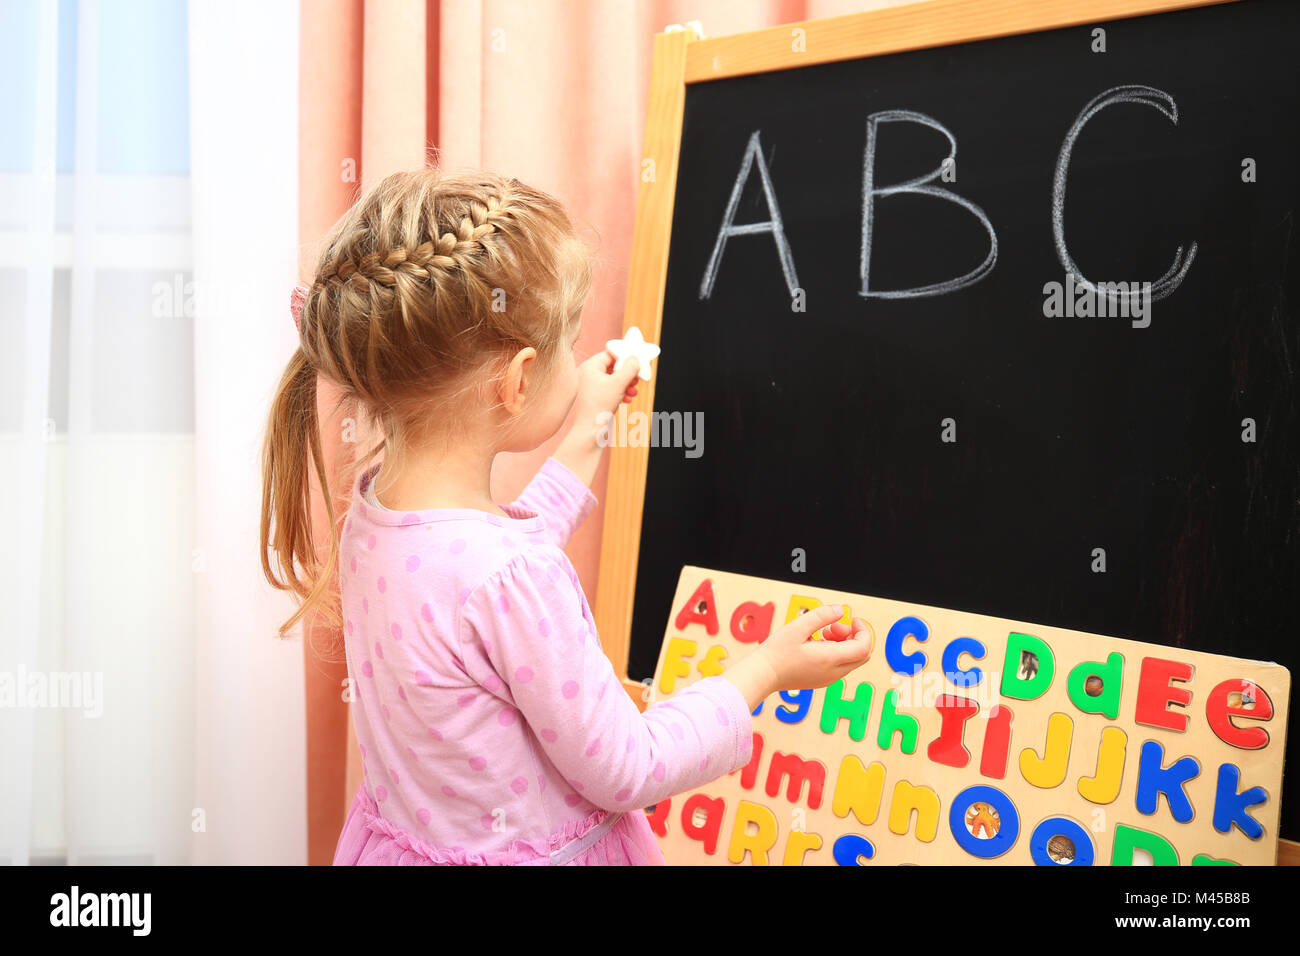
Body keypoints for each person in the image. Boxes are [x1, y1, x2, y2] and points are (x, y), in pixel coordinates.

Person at [260, 168, 872, 865]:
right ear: (516, 382)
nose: (576, 359)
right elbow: (627, 769)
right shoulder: (511, 579)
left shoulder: (374, 515)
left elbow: (491, 579)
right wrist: (762, 672)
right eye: (567, 343)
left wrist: (588, 422)